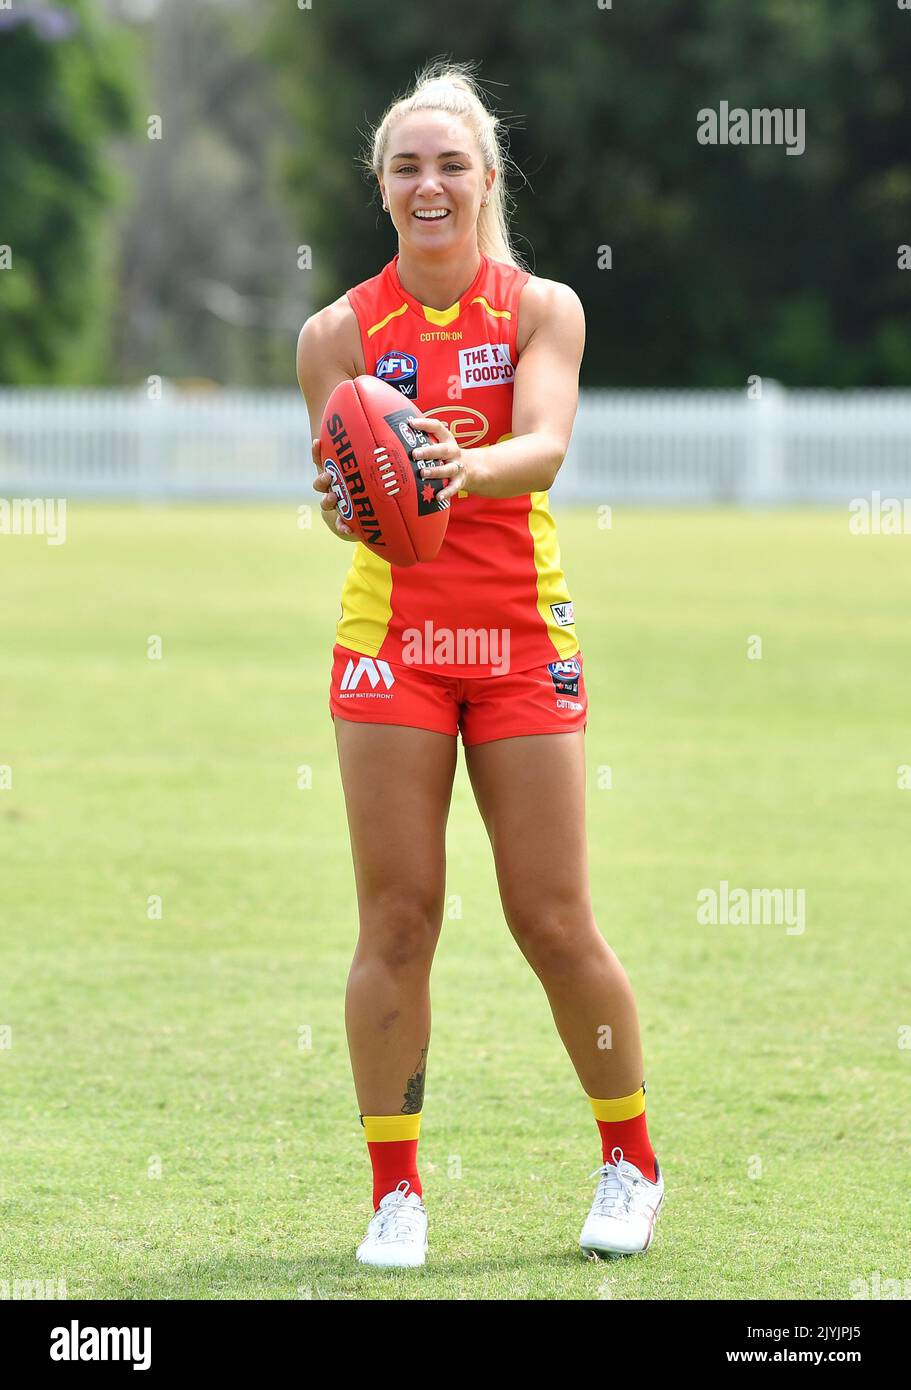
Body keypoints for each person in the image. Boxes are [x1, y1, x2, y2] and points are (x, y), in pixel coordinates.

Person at [296, 59, 664, 1268]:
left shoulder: (540, 307)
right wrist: (349, 498)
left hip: (514, 641)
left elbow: (544, 443)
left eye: (450, 163)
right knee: (395, 920)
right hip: (391, 646)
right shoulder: (335, 336)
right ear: (381, 187)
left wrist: (447, 468)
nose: (429, 184)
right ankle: (393, 1193)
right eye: (406, 165)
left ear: (486, 178)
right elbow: (355, 504)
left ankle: (628, 1161)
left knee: (552, 918)